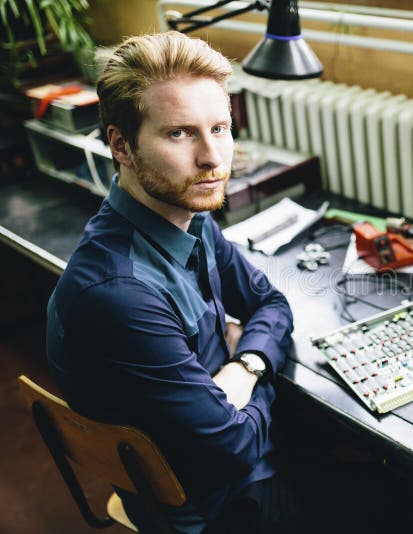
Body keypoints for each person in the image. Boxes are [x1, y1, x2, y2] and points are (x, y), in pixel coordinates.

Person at [46, 31, 297, 533]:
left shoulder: (189, 215)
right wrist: (256, 363)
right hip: (208, 506)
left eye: (220, 128)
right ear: (121, 145)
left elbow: (270, 301)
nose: (213, 158)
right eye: (180, 133)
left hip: (227, 444)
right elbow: (235, 448)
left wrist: (244, 365)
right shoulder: (119, 296)